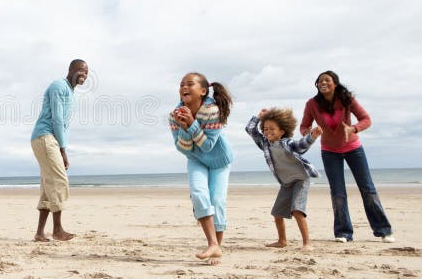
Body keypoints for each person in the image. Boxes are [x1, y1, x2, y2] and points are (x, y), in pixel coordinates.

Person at [300, 71, 394, 243]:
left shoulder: (346, 99)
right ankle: (343, 233)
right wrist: (310, 133)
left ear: (335, 83)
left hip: (353, 148)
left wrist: (353, 129)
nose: (323, 83)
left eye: (327, 80)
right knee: (338, 192)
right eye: (320, 81)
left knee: (367, 188)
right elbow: (304, 127)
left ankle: (383, 230)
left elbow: (366, 119)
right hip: (329, 151)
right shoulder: (312, 104)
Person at [168, 73, 234, 265]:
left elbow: (208, 146)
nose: (184, 87)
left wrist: (193, 124)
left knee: (217, 199)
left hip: (219, 160)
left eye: (189, 84)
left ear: (203, 91)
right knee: (198, 193)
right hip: (195, 158)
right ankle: (212, 243)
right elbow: (182, 148)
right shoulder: (174, 115)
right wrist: (184, 126)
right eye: (181, 85)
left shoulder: (213, 111)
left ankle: (216, 248)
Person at [246, 108, 322, 251]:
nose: (268, 131)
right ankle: (282, 241)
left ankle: (307, 243)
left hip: (300, 179)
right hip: (286, 183)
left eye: (272, 129)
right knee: (277, 213)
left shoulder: (287, 143)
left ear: (282, 131)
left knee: (297, 211)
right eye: (265, 129)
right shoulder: (265, 144)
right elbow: (250, 130)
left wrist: (312, 136)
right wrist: (258, 117)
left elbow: (301, 145)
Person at [30, 59, 89, 242]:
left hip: (50, 139)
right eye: (80, 70)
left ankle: (40, 233)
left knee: (49, 186)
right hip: (46, 136)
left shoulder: (70, 92)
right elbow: (56, 119)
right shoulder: (58, 86)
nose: (83, 74)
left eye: (86, 72)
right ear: (71, 70)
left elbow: (63, 124)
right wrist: (63, 150)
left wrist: (63, 149)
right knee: (59, 181)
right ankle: (57, 230)